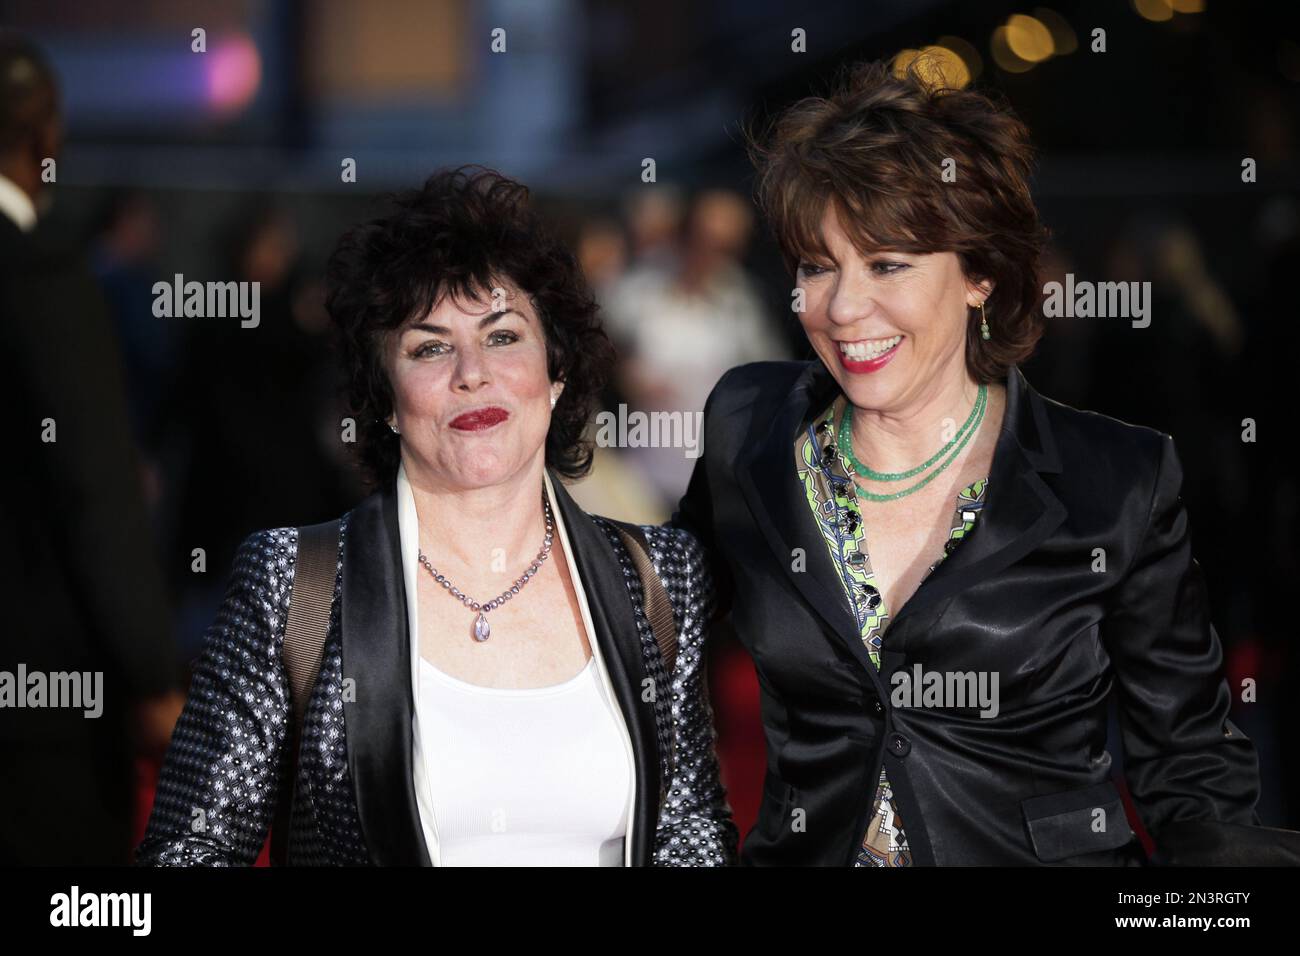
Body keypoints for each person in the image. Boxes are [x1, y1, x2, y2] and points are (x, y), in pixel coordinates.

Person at [673, 58, 1293, 865]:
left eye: (887, 264)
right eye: (818, 266)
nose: (843, 306)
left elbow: (1191, 767)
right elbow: (656, 635)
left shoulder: (1116, 480)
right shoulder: (749, 432)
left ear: (980, 276)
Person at [136, 166, 738, 866]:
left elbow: (689, 834)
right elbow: (189, 851)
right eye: (429, 347)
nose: (470, 371)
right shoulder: (291, 585)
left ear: (558, 373)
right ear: (385, 399)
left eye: (504, 336)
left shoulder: (657, 578)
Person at [0, 32, 182, 865]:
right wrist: (150, 672)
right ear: (46, 135)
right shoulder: (41, 274)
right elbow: (94, 490)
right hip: (40, 714)